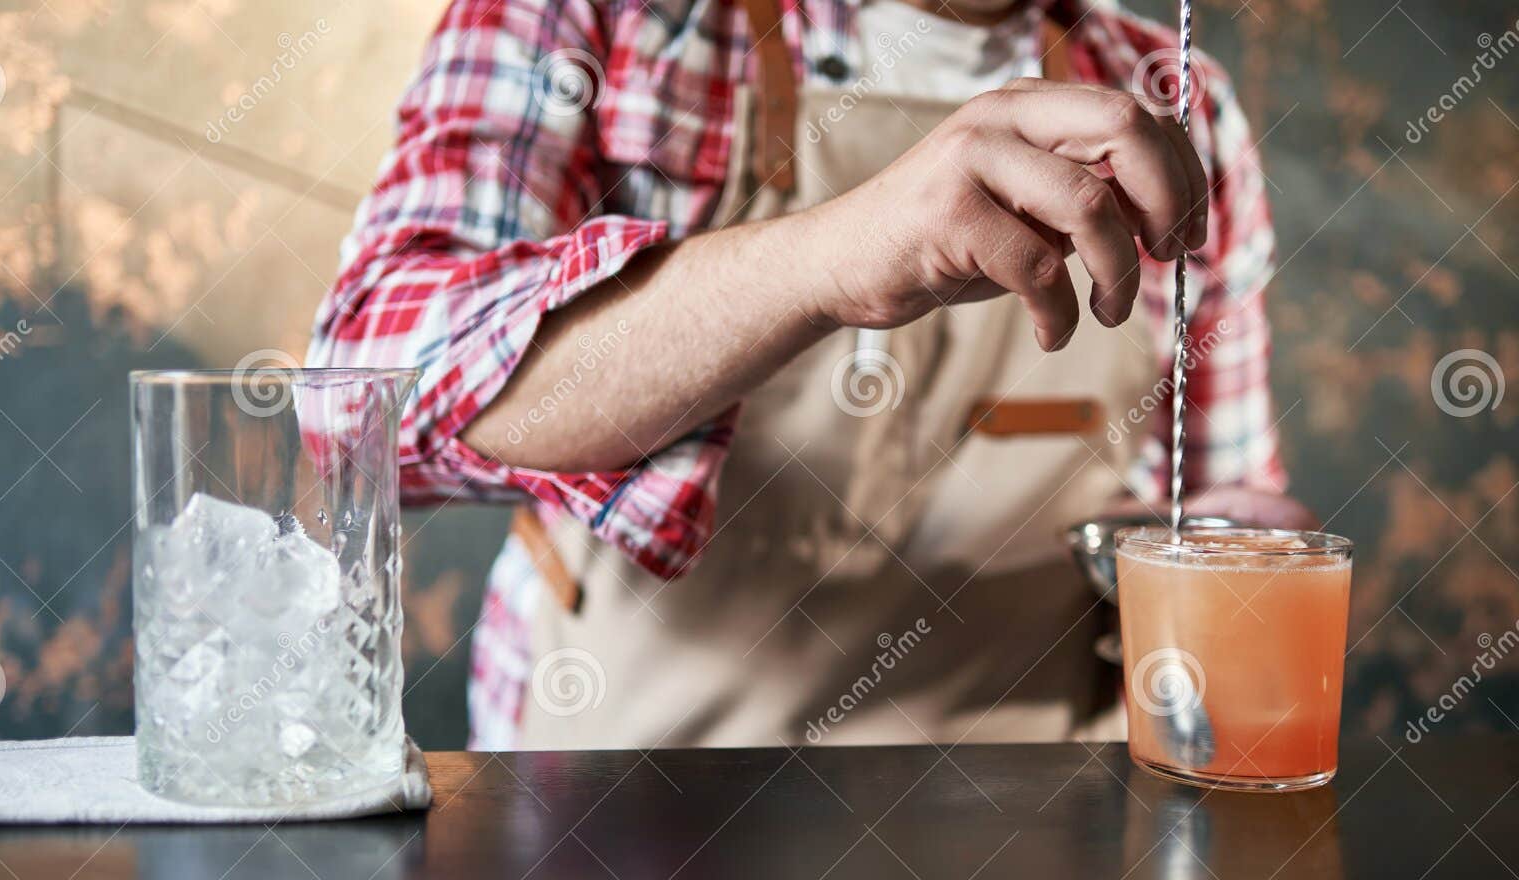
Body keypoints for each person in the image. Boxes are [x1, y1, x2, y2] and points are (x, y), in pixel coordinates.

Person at [308, 0, 1314, 750]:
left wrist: (1233, 554)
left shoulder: (1176, 100)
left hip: (1032, 840)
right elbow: (365, 407)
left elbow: (1207, 502)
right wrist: (834, 258)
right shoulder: (605, 23)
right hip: (640, 830)